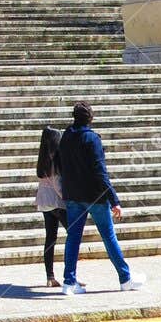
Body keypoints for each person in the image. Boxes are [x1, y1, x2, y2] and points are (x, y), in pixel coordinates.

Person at [57, 102, 146, 294]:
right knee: (108, 236)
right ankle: (125, 278)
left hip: (73, 195)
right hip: (94, 196)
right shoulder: (92, 139)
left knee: (73, 238)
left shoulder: (66, 136)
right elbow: (100, 172)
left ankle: (69, 283)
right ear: (90, 118)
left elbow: (60, 163)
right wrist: (114, 200)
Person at [35, 126, 67, 289]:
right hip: (57, 204)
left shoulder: (42, 161)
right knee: (74, 235)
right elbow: (58, 187)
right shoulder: (55, 160)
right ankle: (70, 275)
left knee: (50, 238)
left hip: (45, 203)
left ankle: (50, 276)